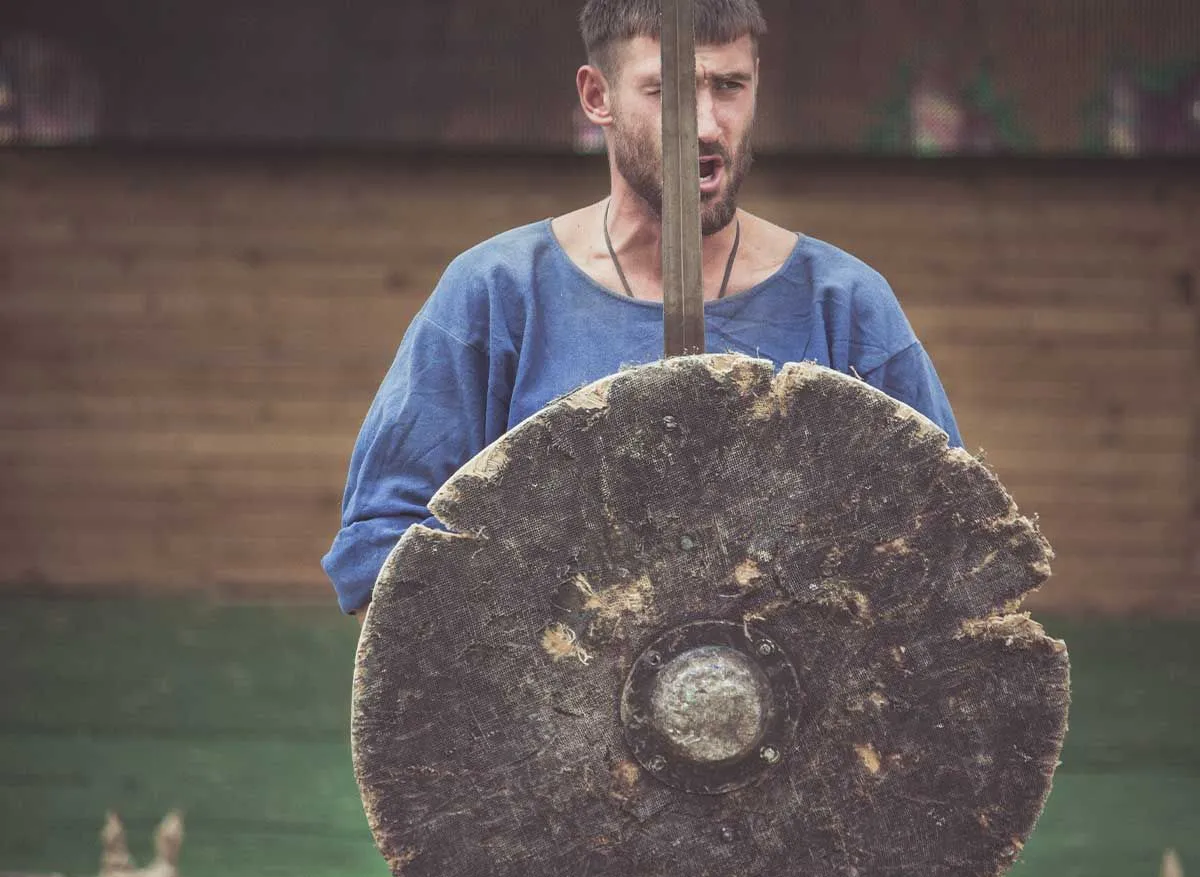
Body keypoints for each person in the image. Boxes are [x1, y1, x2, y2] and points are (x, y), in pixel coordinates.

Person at [322, 0, 962, 616]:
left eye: (730, 86)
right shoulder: (497, 294)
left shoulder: (845, 305)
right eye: (666, 92)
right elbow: (380, 542)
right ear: (598, 96)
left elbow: (951, 539)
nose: (707, 124)